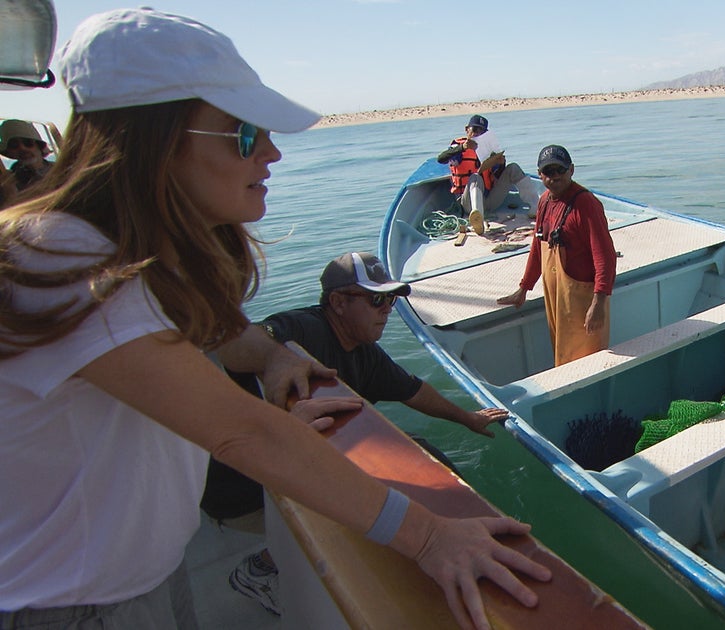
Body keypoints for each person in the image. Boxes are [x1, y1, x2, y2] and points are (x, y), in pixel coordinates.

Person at [0, 9, 549, 630]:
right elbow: (244, 435)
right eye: (243, 134)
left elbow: (210, 333)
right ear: (153, 141)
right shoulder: (63, 261)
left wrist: (271, 356)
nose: (271, 152)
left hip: (128, 574)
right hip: (65, 602)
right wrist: (427, 538)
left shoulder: (117, 251)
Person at [208, 251, 510, 614]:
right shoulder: (303, 330)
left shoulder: (365, 353)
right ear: (337, 302)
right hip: (242, 488)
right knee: (381, 493)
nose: (387, 309)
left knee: (422, 453)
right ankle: (262, 569)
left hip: (284, 470)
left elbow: (414, 391)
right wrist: (276, 359)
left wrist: (468, 418)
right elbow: (241, 342)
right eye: (376, 299)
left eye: (392, 299)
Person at [497, 145, 617, 366]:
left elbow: (606, 258)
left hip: (583, 299)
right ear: (540, 174)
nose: (555, 177)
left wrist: (598, 303)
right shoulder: (544, 201)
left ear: (571, 170)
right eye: (548, 172)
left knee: (587, 361)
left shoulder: (586, 204)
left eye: (560, 170)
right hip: (555, 297)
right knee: (563, 356)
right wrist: (524, 288)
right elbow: (538, 248)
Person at [436, 114, 540, 236]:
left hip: (489, 201)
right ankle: (477, 218)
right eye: (474, 129)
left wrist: (500, 163)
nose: (477, 134)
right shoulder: (458, 148)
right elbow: (441, 159)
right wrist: (462, 148)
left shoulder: (487, 149)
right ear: (466, 130)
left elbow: (498, 175)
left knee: (513, 168)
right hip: (468, 203)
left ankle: (536, 207)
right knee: (475, 177)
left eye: (481, 131)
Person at [0, 119, 54, 202]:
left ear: (39, 146)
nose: (22, 148)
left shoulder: (62, 170)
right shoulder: (7, 182)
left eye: (27, 143)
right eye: (14, 145)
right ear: (9, 152)